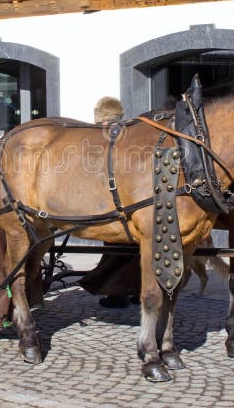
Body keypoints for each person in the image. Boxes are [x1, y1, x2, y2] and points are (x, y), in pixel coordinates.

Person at [78, 97, 140, 308]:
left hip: (110, 205)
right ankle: (135, 291)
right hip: (132, 204)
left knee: (117, 251)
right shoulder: (131, 135)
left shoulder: (100, 138)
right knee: (131, 253)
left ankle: (117, 293)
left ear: (103, 120)